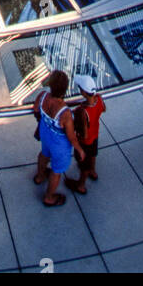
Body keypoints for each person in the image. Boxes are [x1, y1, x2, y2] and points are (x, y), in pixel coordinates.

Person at [33, 70, 84, 207]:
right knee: (57, 171)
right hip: (60, 146)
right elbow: (71, 137)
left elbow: (36, 110)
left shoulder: (42, 96)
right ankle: (49, 197)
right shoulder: (65, 113)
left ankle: (40, 176)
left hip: (46, 135)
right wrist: (80, 149)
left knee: (43, 154)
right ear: (65, 90)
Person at [65, 74, 106, 194]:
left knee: (84, 164)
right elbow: (103, 109)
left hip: (85, 142)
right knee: (93, 154)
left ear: (83, 92)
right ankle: (93, 171)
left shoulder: (82, 112)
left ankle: (81, 185)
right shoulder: (99, 98)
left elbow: (84, 134)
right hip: (95, 135)